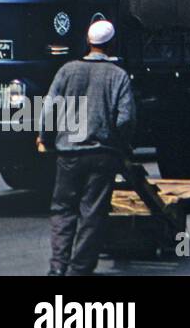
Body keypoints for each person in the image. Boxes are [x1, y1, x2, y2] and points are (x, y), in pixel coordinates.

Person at [40, 19, 135, 276]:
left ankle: (57, 268)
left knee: (63, 210)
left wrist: (45, 138)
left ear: (88, 42)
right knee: (92, 213)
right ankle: (80, 270)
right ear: (112, 44)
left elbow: (49, 109)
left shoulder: (67, 70)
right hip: (102, 154)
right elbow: (125, 119)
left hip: (68, 154)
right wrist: (119, 144)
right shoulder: (118, 75)